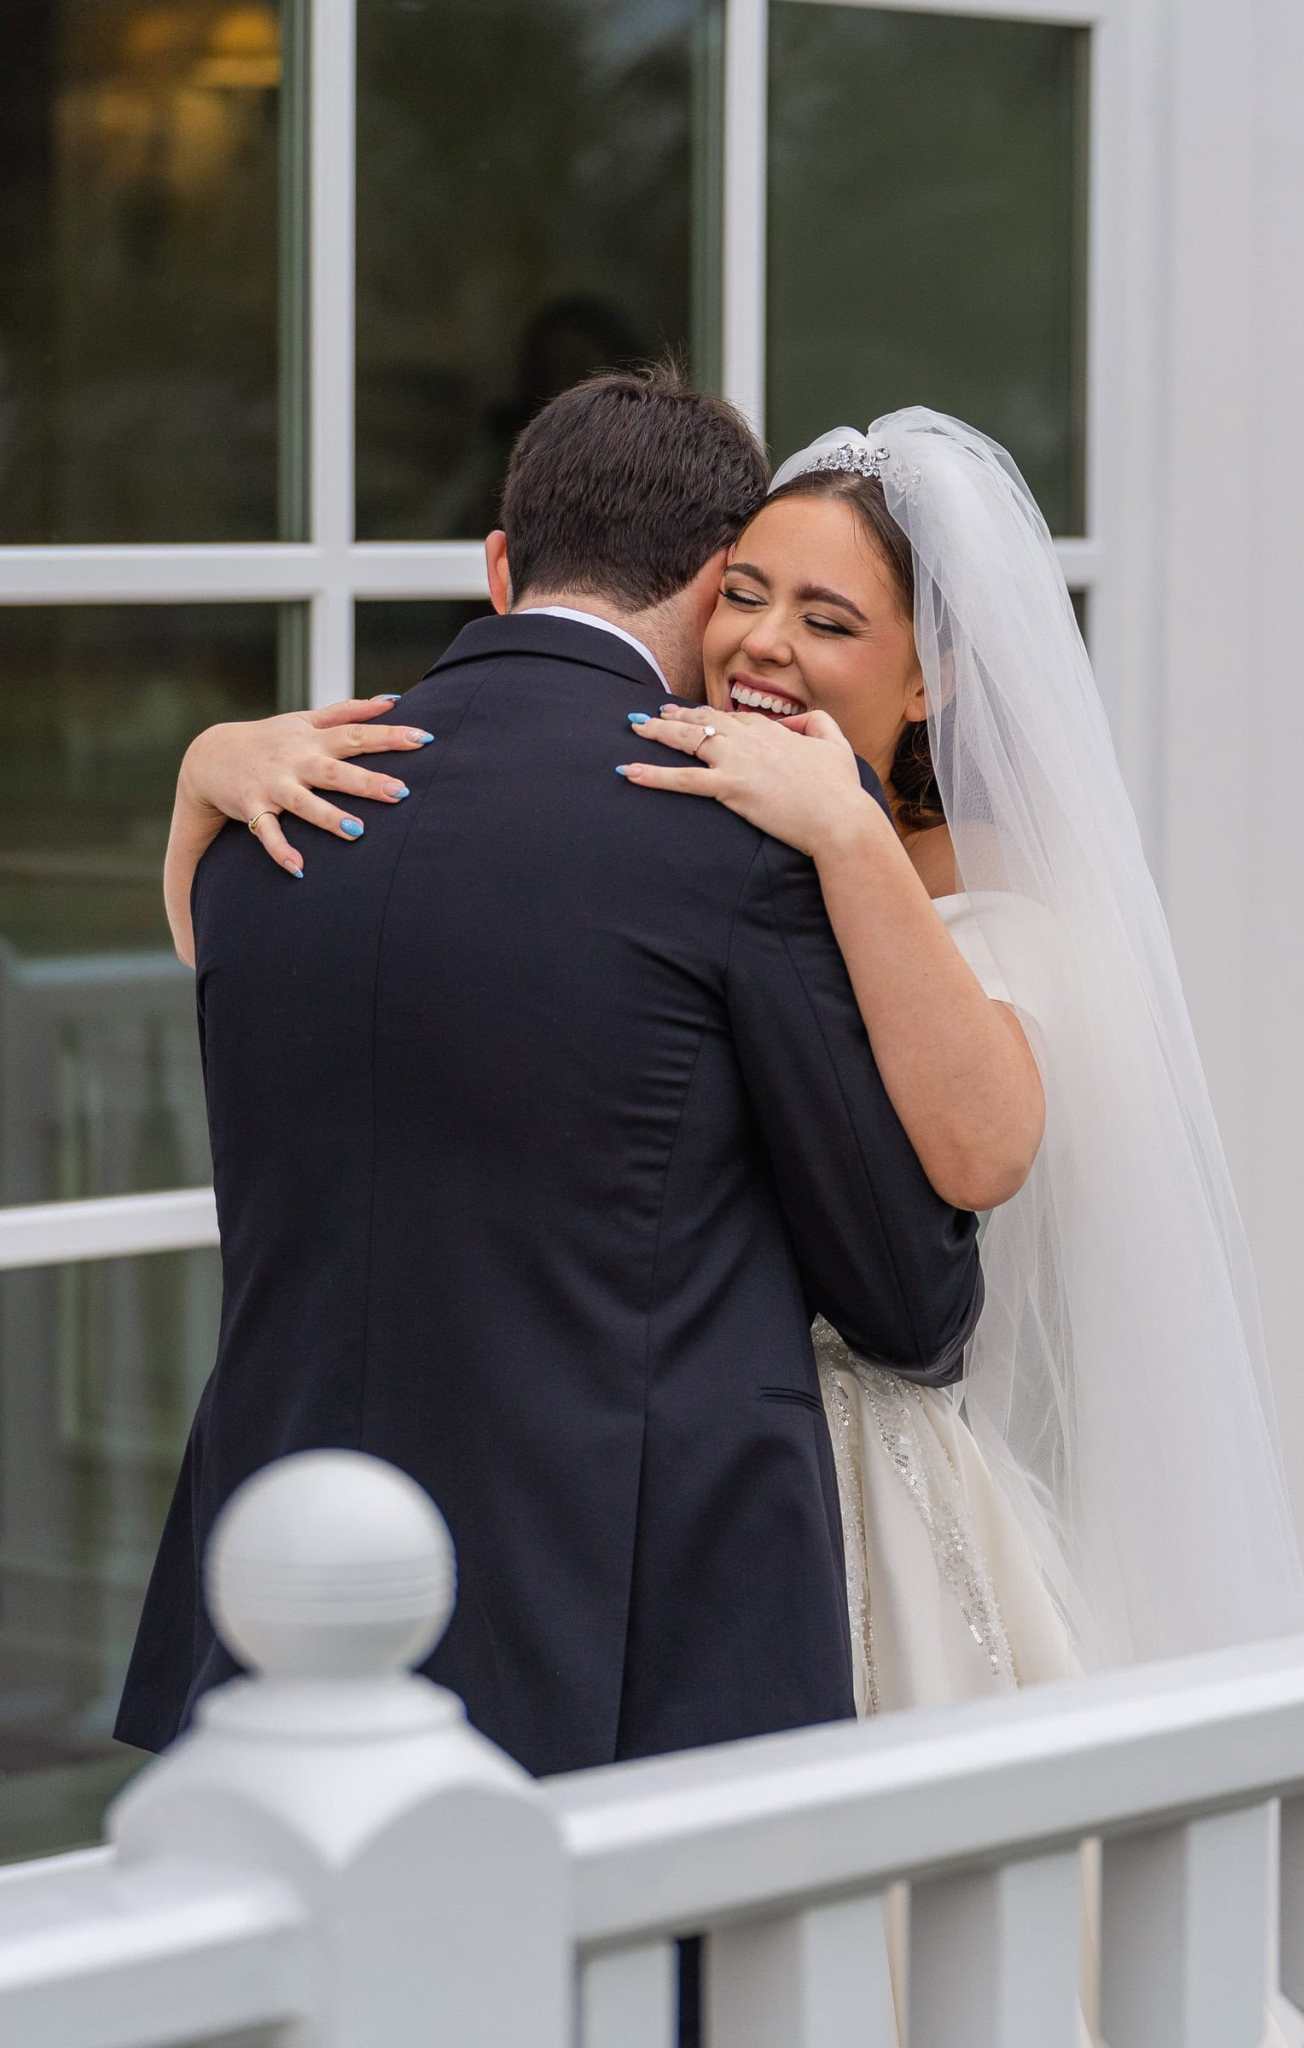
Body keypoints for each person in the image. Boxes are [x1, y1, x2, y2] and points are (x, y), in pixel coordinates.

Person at [115, 372, 985, 1789]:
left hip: (280, 1608)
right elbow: (907, 1301)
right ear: (717, 582)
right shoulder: (738, 841)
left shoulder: (261, 812)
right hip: (623, 1643)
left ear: (500, 565)